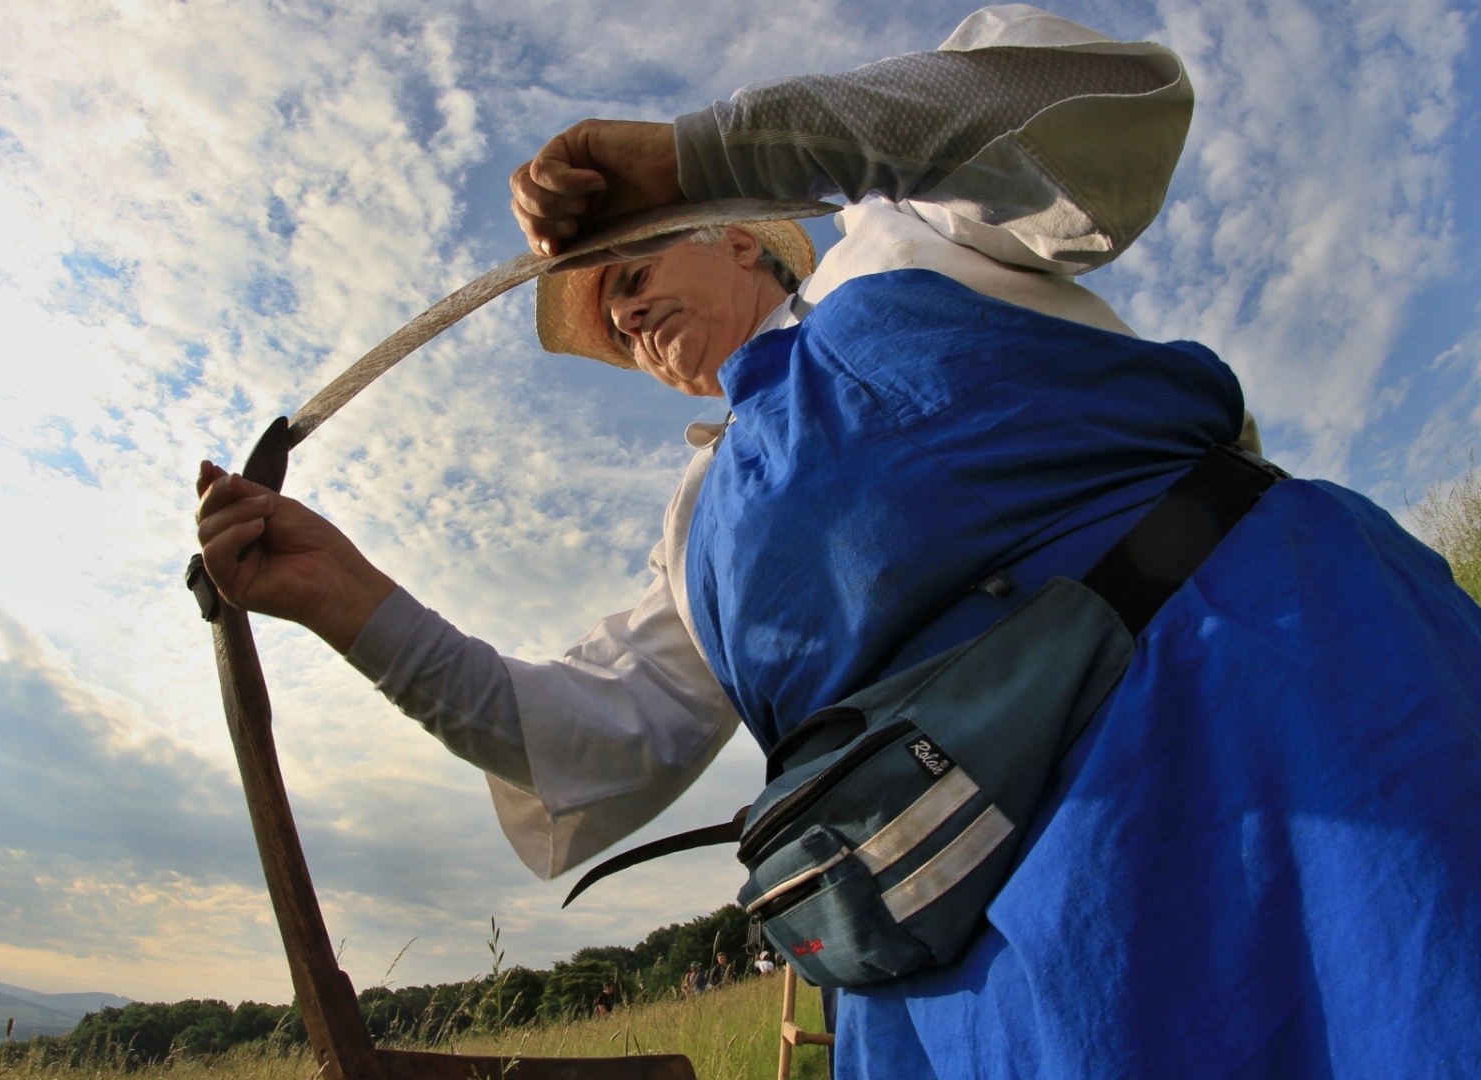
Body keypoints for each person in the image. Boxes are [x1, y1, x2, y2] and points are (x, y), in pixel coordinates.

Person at [197, 6, 1481, 1076]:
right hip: (967, 965)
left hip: (1268, 724)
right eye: (608, 316)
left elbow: (1105, 104)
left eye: (635, 266)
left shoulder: (910, 235)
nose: (625, 307)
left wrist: (707, 150)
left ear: (744, 232)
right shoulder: (693, 531)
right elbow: (574, 740)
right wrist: (345, 596)